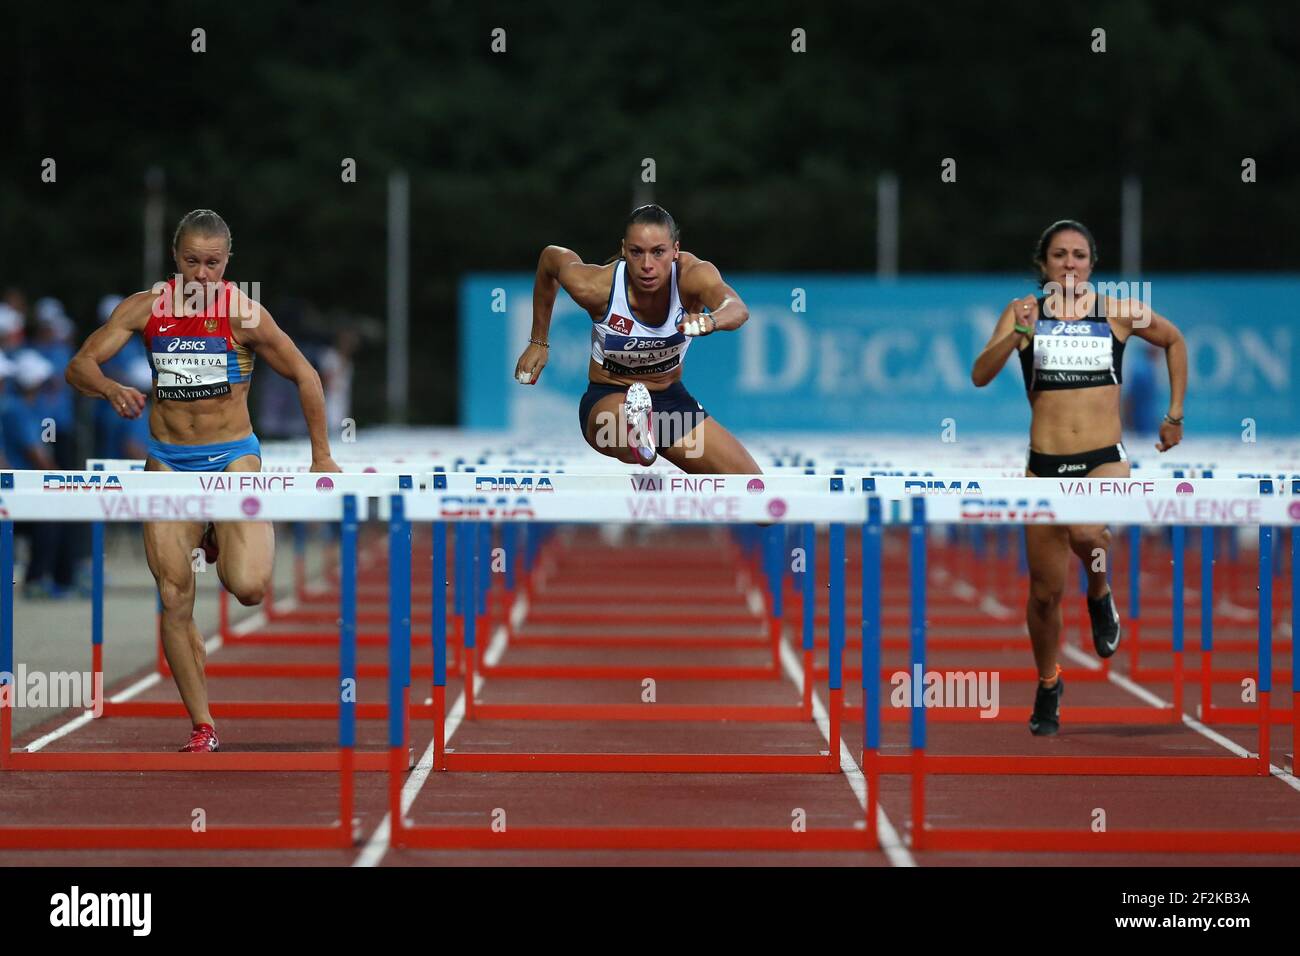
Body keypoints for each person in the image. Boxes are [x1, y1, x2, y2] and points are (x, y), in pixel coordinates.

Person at [65, 209, 341, 752]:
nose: (202, 275)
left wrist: (322, 457)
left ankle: (221, 532)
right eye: (192, 262)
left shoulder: (244, 315)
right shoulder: (144, 310)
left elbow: (306, 373)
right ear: (176, 258)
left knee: (250, 589)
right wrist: (110, 389)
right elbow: (80, 364)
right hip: (168, 461)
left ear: (227, 262)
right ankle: (203, 724)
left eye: (212, 264)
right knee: (173, 595)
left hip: (233, 458)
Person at [971, 219, 1187, 736]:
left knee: (1090, 533)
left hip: (1103, 457)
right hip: (1043, 466)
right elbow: (980, 374)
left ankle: (1099, 589)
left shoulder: (1115, 311)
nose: (1070, 264)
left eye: (1079, 256)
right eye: (1060, 255)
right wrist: (1014, 339)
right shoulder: (1023, 312)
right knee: (1044, 594)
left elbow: (1175, 339)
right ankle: (1049, 682)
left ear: (1092, 264)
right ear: (1043, 264)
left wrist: (1174, 415)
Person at [515, 204, 759, 473]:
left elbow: (736, 308)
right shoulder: (596, 287)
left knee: (752, 485)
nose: (647, 265)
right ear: (624, 250)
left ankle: (644, 432)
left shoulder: (692, 275)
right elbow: (551, 259)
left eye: (658, 252)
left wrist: (710, 320)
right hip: (608, 398)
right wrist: (538, 342)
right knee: (627, 436)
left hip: (671, 404)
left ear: (675, 251)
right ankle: (637, 431)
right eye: (636, 252)